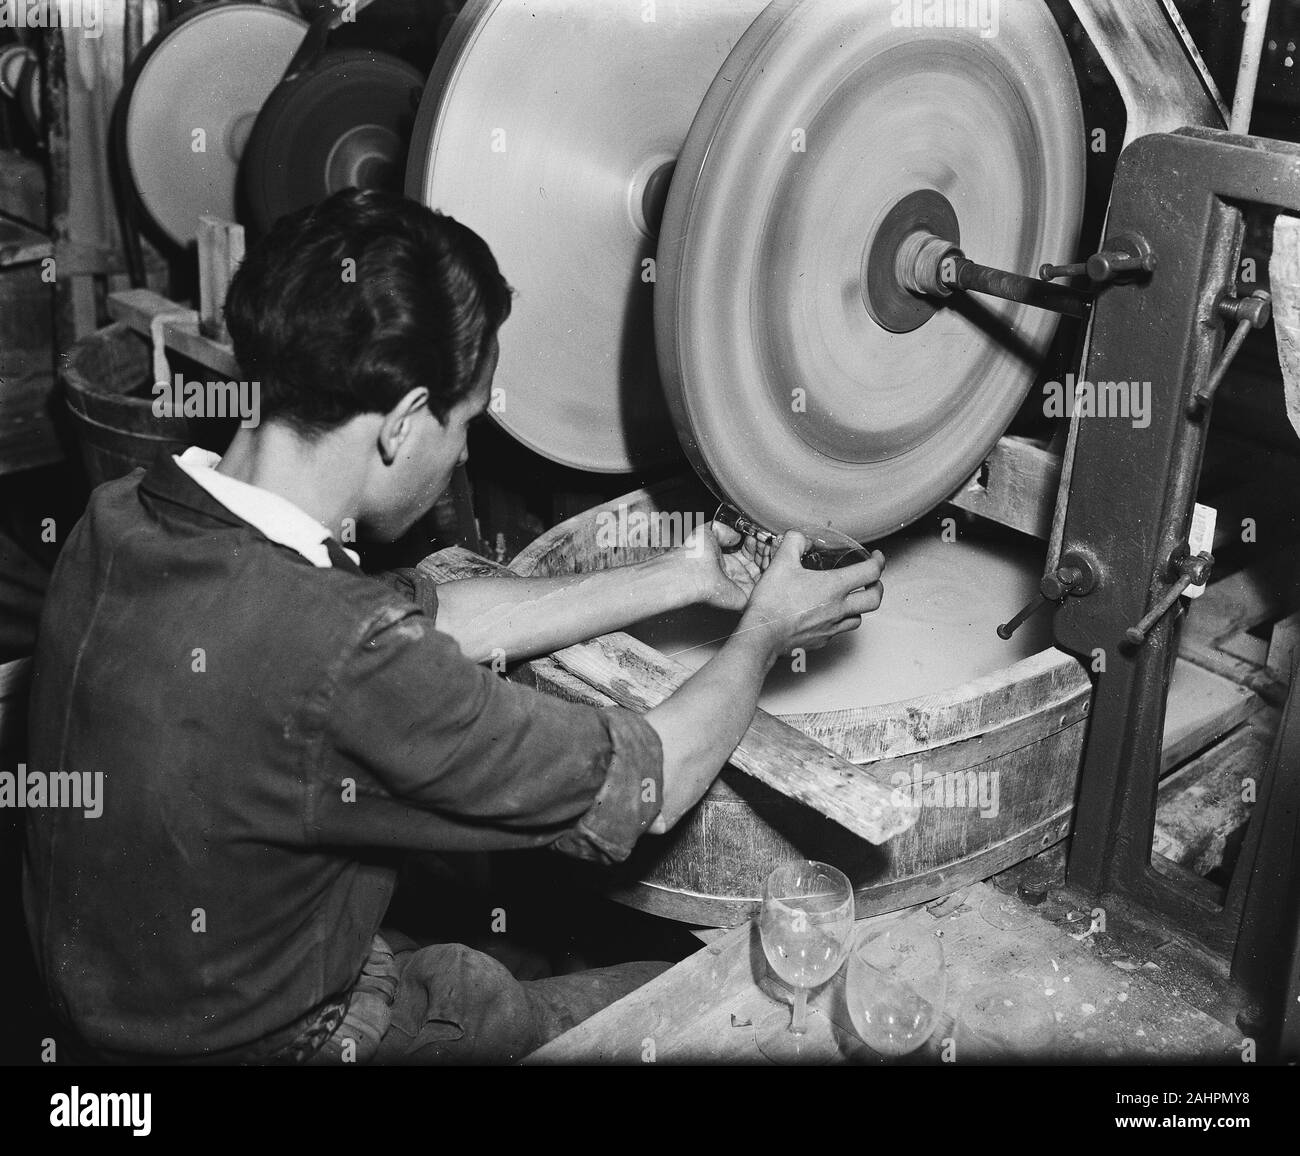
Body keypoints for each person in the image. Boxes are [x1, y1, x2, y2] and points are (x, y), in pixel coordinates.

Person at [23, 189, 885, 1065]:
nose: (465, 455)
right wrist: (768, 629)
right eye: (465, 422)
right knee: (748, 1018)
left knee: (477, 979)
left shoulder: (123, 515)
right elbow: (652, 780)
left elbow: (416, 621)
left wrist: (683, 573)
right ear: (401, 424)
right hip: (287, 1044)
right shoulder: (337, 656)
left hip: (155, 1000)